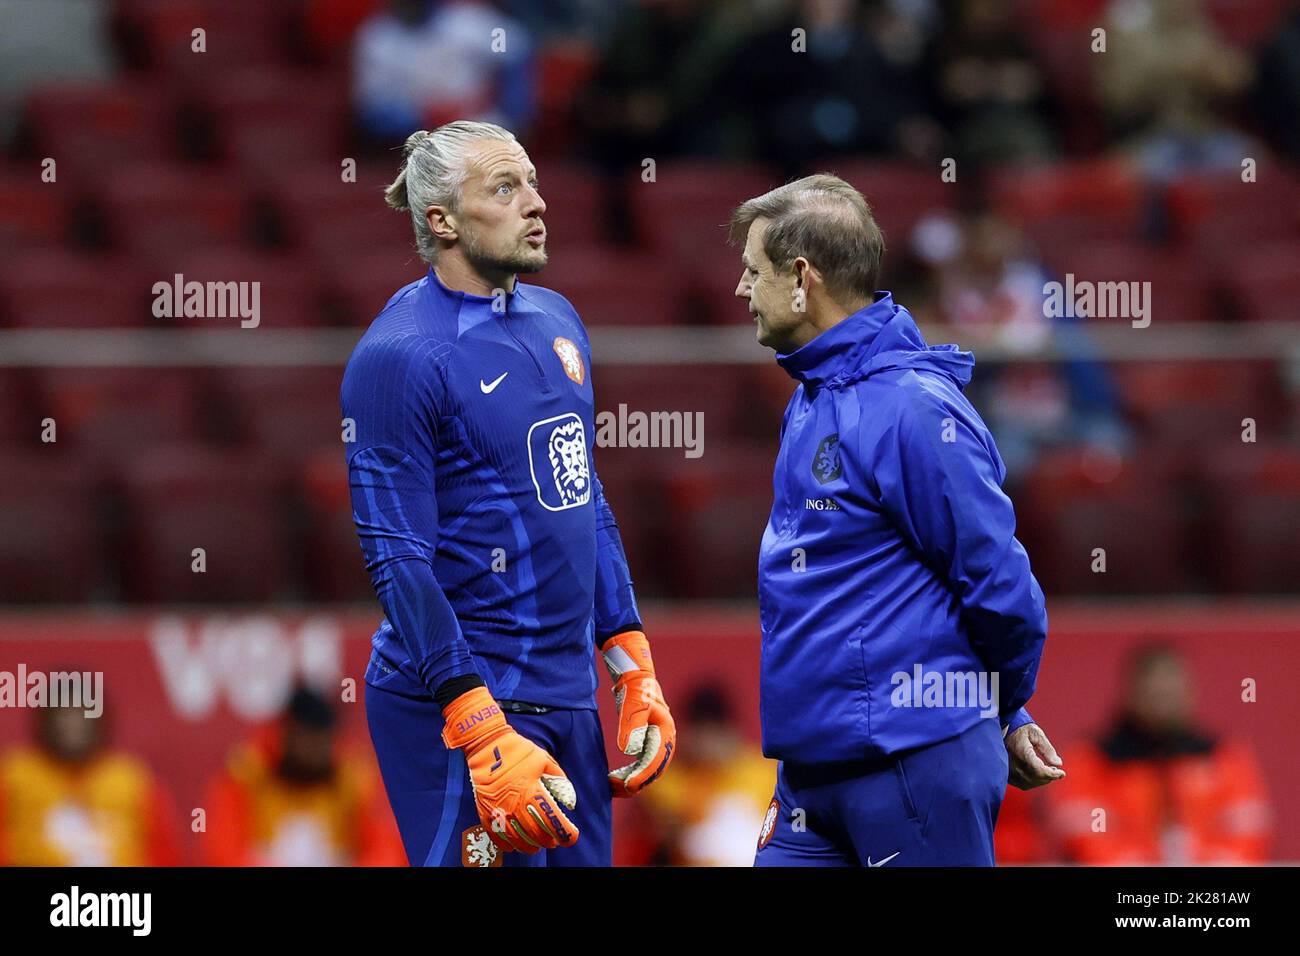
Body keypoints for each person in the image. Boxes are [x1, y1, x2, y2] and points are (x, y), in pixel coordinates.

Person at [341, 119, 674, 867]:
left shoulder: (559, 319)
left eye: (531, 182)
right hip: (461, 706)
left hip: (568, 700)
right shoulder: (400, 357)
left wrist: (631, 664)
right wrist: (476, 722)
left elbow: (580, 495)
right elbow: (396, 557)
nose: (537, 202)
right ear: (442, 220)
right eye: (505, 187)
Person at [730, 174, 1063, 867]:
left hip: (913, 763)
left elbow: (1001, 588)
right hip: (811, 770)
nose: (741, 290)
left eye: (752, 271)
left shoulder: (913, 409)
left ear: (801, 278)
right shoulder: (812, 397)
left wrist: (1003, 708)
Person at [1047, 643, 1271, 864]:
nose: (1163, 698)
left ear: (1190, 691)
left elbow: (1249, 831)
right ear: (1131, 691)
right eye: (1154, 688)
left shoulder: (1223, 755)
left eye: (1172, 688)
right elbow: (1083, 835)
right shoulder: (1091, 758)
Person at [203, 685, 405, 866]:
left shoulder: (353, 779)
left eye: (323, 741)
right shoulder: (247, 775)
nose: (315, 750)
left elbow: (385, 851)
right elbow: (221, 852)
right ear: (286, 734)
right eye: (307, 738)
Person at [0, 701, 180, 866]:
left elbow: (164, 854)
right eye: (64, 715)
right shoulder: (14, 774)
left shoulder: (132, 778)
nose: (73, 726)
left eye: (82, 715)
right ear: (45, 721)